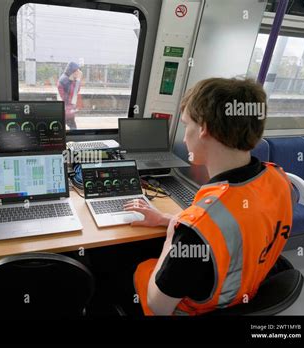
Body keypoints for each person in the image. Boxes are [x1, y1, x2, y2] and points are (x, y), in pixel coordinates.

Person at [124, 77, 295, 316]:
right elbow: (235, 227)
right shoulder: (279, 179)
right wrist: (167, 219)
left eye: (186, 126)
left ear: (204, 128)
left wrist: (171, 238)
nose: (184, 137)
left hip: (194, 310)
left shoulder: (195, 231)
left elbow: (158, 306)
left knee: (139, 268)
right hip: (244, 291)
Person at [57, 62, 83, 130]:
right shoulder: (65, 80)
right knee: (73, 128)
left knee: (70, 126)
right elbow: (74, 93)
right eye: (77, 70)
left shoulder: (68, 78)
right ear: (72, 71)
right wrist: (78, 80)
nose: (79, 72)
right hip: (66, 109)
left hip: (67, 108)